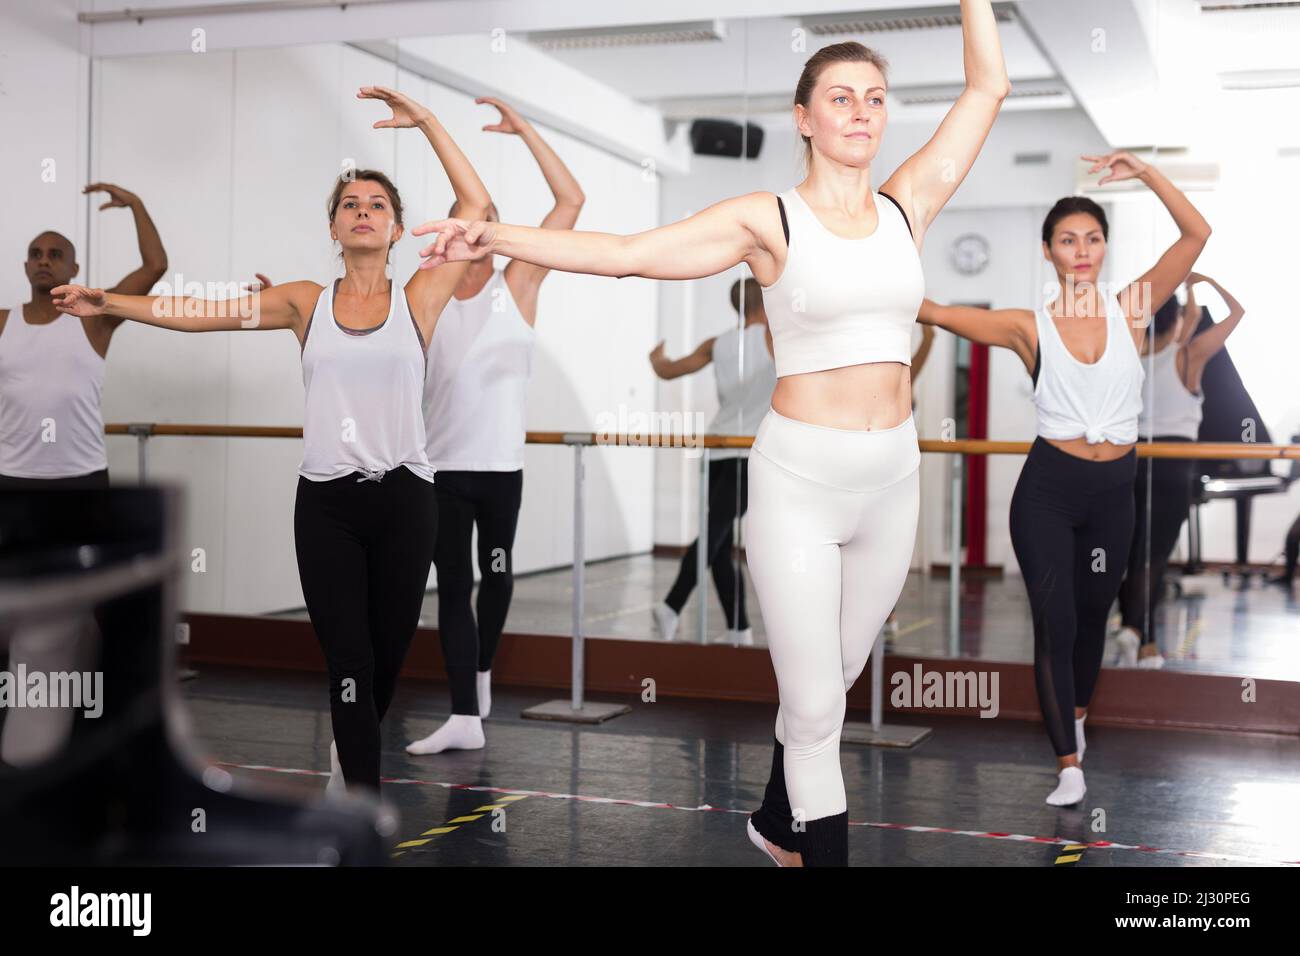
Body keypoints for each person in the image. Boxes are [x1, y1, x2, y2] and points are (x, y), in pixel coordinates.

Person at [412, 1, 1010, 866]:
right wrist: (491, 234)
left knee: (836, 681)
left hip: (892, 481)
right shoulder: (768, 220)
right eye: (840, 98)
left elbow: (987, 86)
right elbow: (626, 253)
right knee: (815, 711)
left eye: (875, 98)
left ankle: (774, 821)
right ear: (803, 118)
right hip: (800, 482)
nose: (861, 113)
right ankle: (808, 848)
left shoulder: (907, 205)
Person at [50, 86, 492, 793]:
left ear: (399, 230)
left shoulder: (421, 296)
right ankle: (359, 806)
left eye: (378, 204)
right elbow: (202, 312)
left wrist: (428, 122)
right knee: (348, 661)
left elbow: (476, 206)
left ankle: (349, 756)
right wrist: (110, 301)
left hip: (407, 502)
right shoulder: (303, 301)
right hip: (327, 506)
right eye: (350, 204)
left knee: (385, 658)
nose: (363, 211)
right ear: (333, 227)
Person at [919, 157, 1211, 806]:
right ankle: (1069, 765)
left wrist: (1145, 172)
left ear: (1104, 248)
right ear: (1048, 251)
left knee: (1093, 615)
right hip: (1048, 492)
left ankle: (1075, 714)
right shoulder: (1027, 326)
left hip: (1113, 495)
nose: (1081, 250)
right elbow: (931, 310)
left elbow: (1196, 234)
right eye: (1068, 240)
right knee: (1055, 621)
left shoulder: (1133, 307)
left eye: (1092, 238)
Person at [406, 97, 585, 756]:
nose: (470, 235)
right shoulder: (427, 294)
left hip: (500, 471)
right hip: (442, 471)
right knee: (453, 587)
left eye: (482, 225)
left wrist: (526, 131)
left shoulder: (519, 284)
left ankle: (480, 673)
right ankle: (463, 715)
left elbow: (571, 201)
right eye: (462, 224)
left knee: (498, 573)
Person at [1116, 273, 1246, 668]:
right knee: (1155, 557)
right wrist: (1204, 283)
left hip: (1133, 458)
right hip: (1173, 464)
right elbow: (1237, 313)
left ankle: (1133, 630)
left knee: (1136, 552)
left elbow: (1184, 320)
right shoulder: (1187, 355)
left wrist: (1185, 294)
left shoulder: (1133, 355)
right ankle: (1143, 639)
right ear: (1176, 321)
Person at [0, 183, 167, 488]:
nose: (44, 260)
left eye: (55, 255)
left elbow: (154, 266)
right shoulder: (3, 322)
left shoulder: (95, 319)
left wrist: (135, 203)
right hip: (11, 475)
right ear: (25, 266)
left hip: (82, 476)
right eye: (36, 254)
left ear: (74, 267)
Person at [648, 276, 776, 646]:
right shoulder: (777, 339)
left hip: (717, 447)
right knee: (715, 536)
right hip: (750, 453)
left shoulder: (717, 343)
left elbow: (668, 370)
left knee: (717, 539)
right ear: (766, 302)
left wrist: (657, 358)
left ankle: (739, 628)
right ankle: (672, 605)